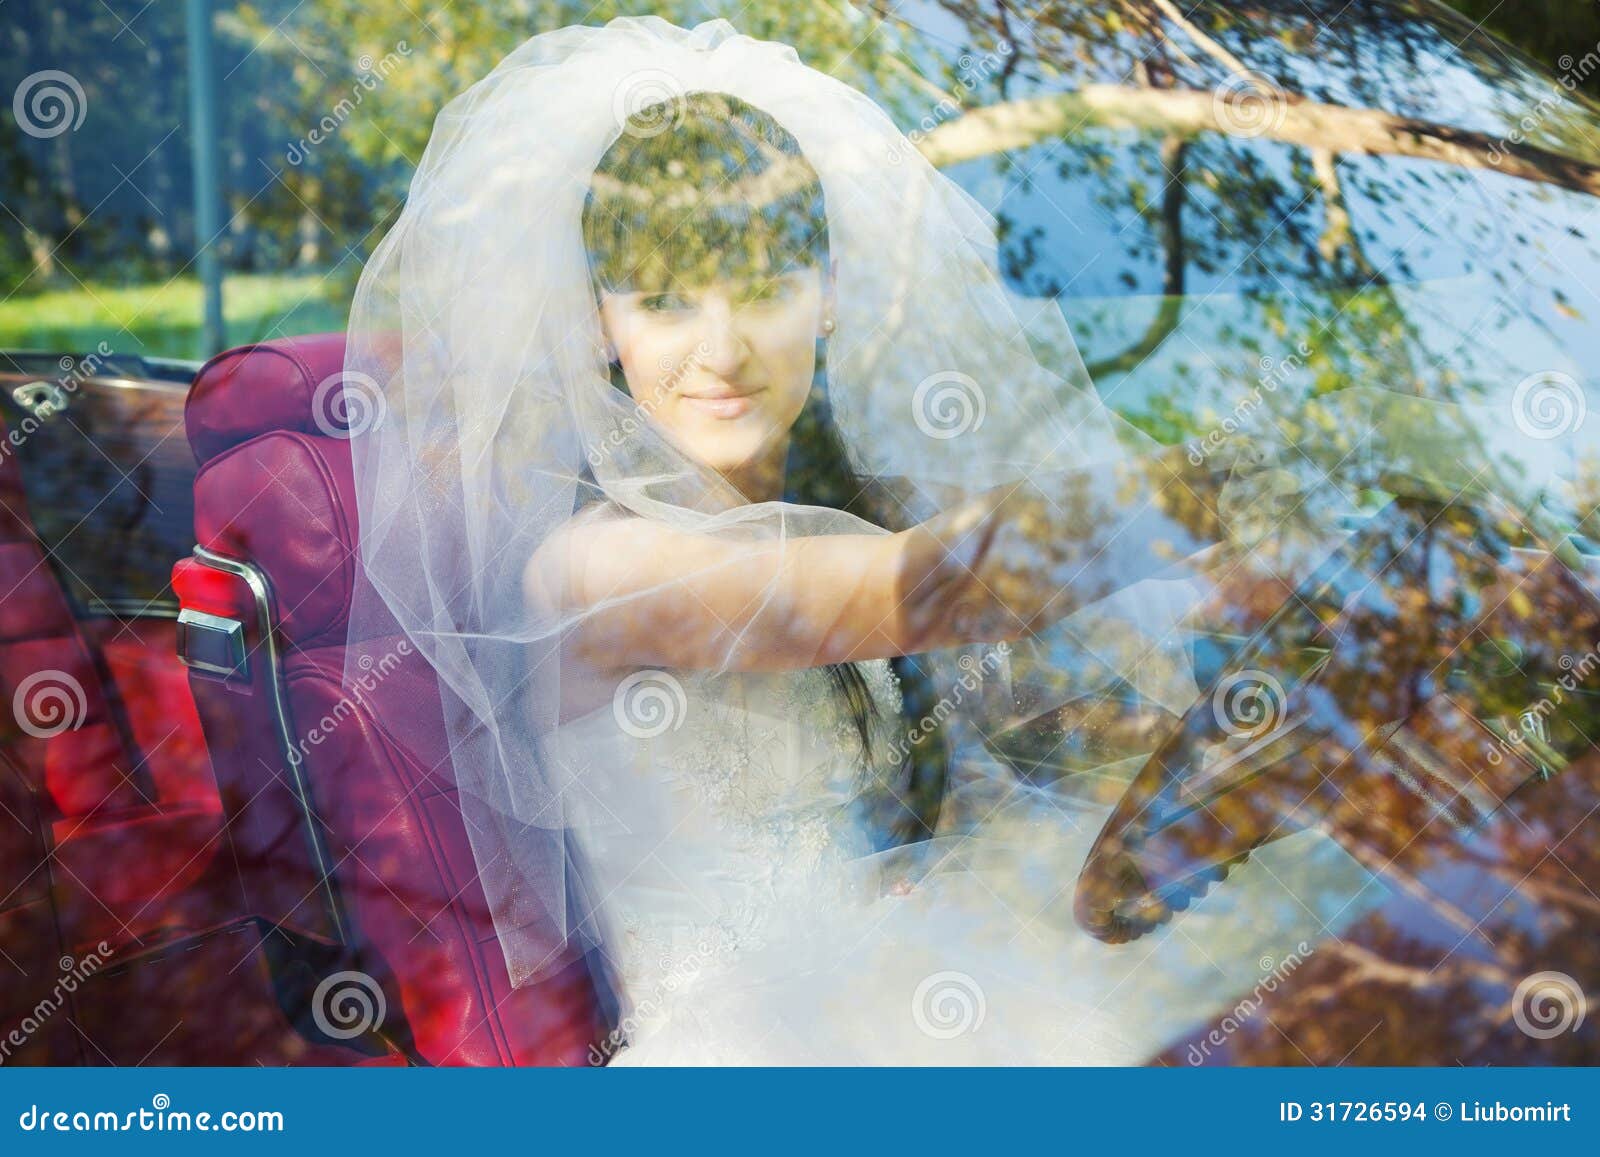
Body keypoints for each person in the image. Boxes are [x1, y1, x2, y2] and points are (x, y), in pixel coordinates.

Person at [343, 15, 1388, 1065]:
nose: (721, 347)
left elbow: (993, 668)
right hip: (761, 1047)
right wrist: (1209, 481)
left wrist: (1224, 603)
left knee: (1326, 914)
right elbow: (923, 589)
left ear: (830, 292)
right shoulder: (600, 567)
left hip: (892, 955)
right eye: (664, 301)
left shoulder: (834, 506)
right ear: (599, 324)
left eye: (763, 285)